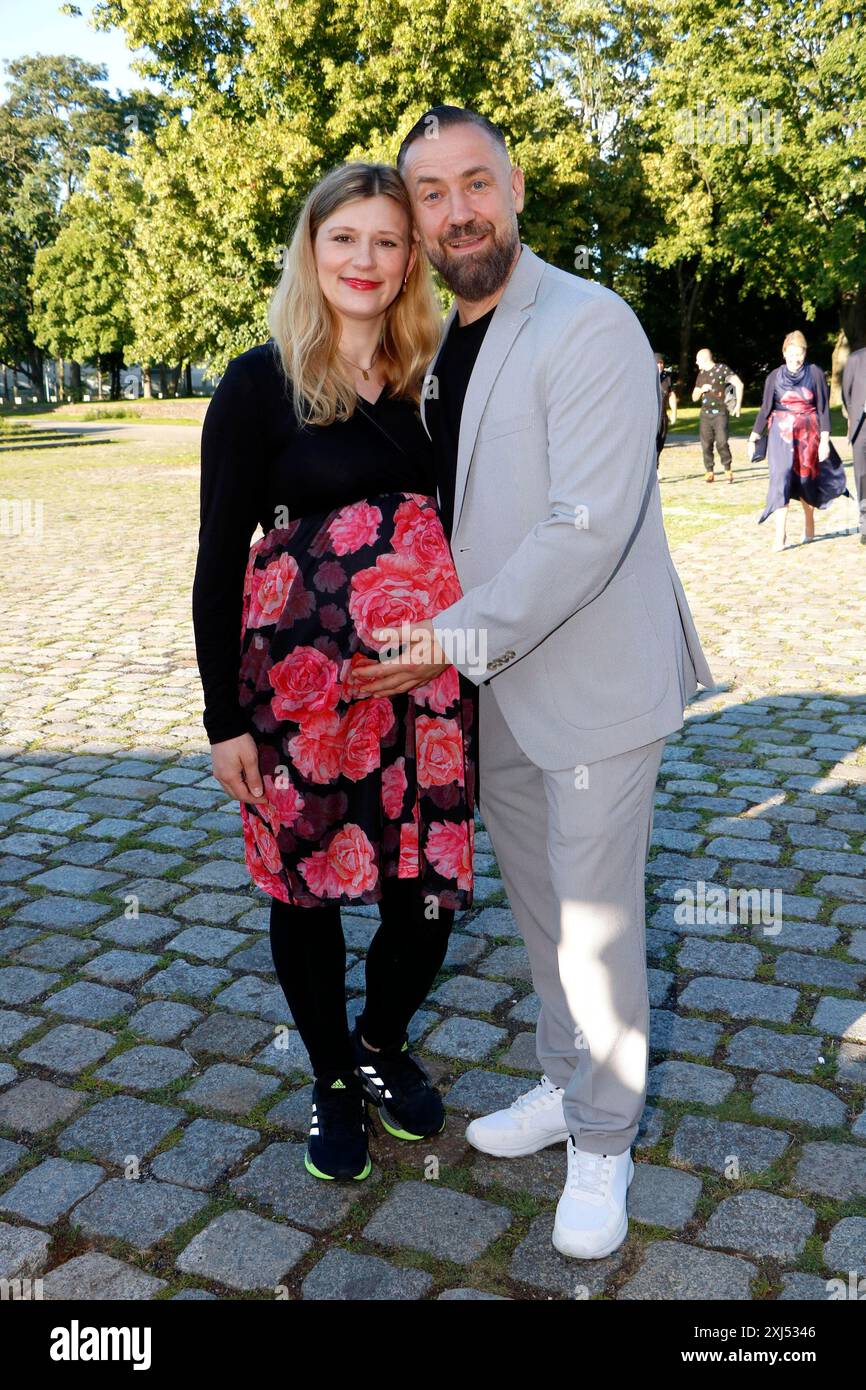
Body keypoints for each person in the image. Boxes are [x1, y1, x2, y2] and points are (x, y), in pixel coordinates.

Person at [350, 105, 715, 1261]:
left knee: (598, 926)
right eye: (430, 193)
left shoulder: (586, 321)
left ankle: (603, 1140)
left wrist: (442, 640)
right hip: (492, 682)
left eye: (475, 183)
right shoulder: (438, 332)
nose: (457, 209)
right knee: (545, 910)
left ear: (514, 189)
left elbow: (583, 529)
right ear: (411, 217)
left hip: (588, 678)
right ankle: (565, 1082)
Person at [191, 162, 478, 1184]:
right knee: (306, 890)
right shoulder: (257, 382)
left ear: (411, 263)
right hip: (296, 702)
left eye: (387, 241)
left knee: (422, 891)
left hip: (427, 692)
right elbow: (219, 555)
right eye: (344, 237)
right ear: (312, 250)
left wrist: (455, 643)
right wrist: (224, 719)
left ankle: (380, 1039)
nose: (365, 259)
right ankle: (326, 1076)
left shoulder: (435, 381)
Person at [750, 330, 849, 551]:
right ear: (784, 352)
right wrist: (754, 435)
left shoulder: (814, 373)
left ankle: (809, 521)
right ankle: (780, 534)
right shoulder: (774, 376)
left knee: (805, 480)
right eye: (792, 353)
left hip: (808, 434)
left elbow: (823, 409)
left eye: (801, 353)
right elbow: (766, 408)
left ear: (805, 354)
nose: (796, 358)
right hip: (781, 435)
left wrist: (824, 440)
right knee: (781, 478)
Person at [691, 347, 743, 482]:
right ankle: (709, 471)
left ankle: (727, 469)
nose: (696, 363)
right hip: (705, 414)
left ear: (703, 359)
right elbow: (694, 397)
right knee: (706, 444)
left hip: (720, 412)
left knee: (722, 442)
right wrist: (701, 389)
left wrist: (737, 404)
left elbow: (739, 384)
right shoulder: (701, 375)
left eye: (697, 360)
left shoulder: (722, 369)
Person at [841, 342, 866, 545]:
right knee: (862, 476)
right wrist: (854, 415)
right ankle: (865, 522)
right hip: (862, 426)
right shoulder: (856, 359)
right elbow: (846, 394)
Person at [654, 352, 677, 465]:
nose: (660, 365)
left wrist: (674, 413)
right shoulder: (647, 377)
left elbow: (671, 395)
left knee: (660, 442)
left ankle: (656, 465)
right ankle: (651, 467)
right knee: (652, 443)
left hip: (663, 415)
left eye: (661, 363)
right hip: (651, 416)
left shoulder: (666, 377)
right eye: (657, 363)